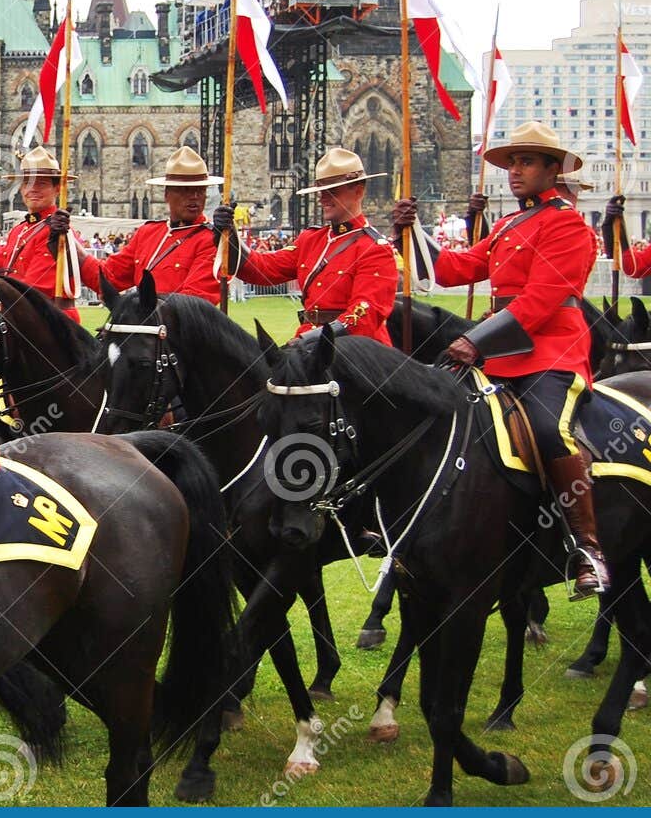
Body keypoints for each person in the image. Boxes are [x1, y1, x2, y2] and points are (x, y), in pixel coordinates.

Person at [396, 121, 604, 599]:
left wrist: (477, 342)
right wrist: (415, 230)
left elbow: (541, 299)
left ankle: (585, 546)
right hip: (501, 356)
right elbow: (455, 269)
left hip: (551, 355)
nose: (515, 171)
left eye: (527, 162)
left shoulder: (568, 223)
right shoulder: (510, 225)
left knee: (550, 430)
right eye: (512, 162)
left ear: (553, 170)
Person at [213, 147, 397, 344]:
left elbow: (363, 317)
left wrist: (307, 341)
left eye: (332, 191)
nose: (323, 198)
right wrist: (228, 234)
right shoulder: (311, 240)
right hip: (309, 345)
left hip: (354, 350)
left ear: (358, 191)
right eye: (320, 191)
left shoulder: (375, 249)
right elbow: (262, 268)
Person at [80, 145, 221, 303]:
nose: (194, 197)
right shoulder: (148, 233)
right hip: (144, 326)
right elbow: (108, 277)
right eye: (185, 190)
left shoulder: (211, 239)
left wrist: (138, 309)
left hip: (180, 327)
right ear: (167, 195)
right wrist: (71, 245)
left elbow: (196, 301)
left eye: (200, 190)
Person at [0, 146, 89, 319]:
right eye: (27, 183)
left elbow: (32, 290)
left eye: (41, 183)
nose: (32, 189)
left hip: (49, 324)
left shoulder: (57, 232)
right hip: (18, 316)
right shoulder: (19, 230)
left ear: (57, 189)